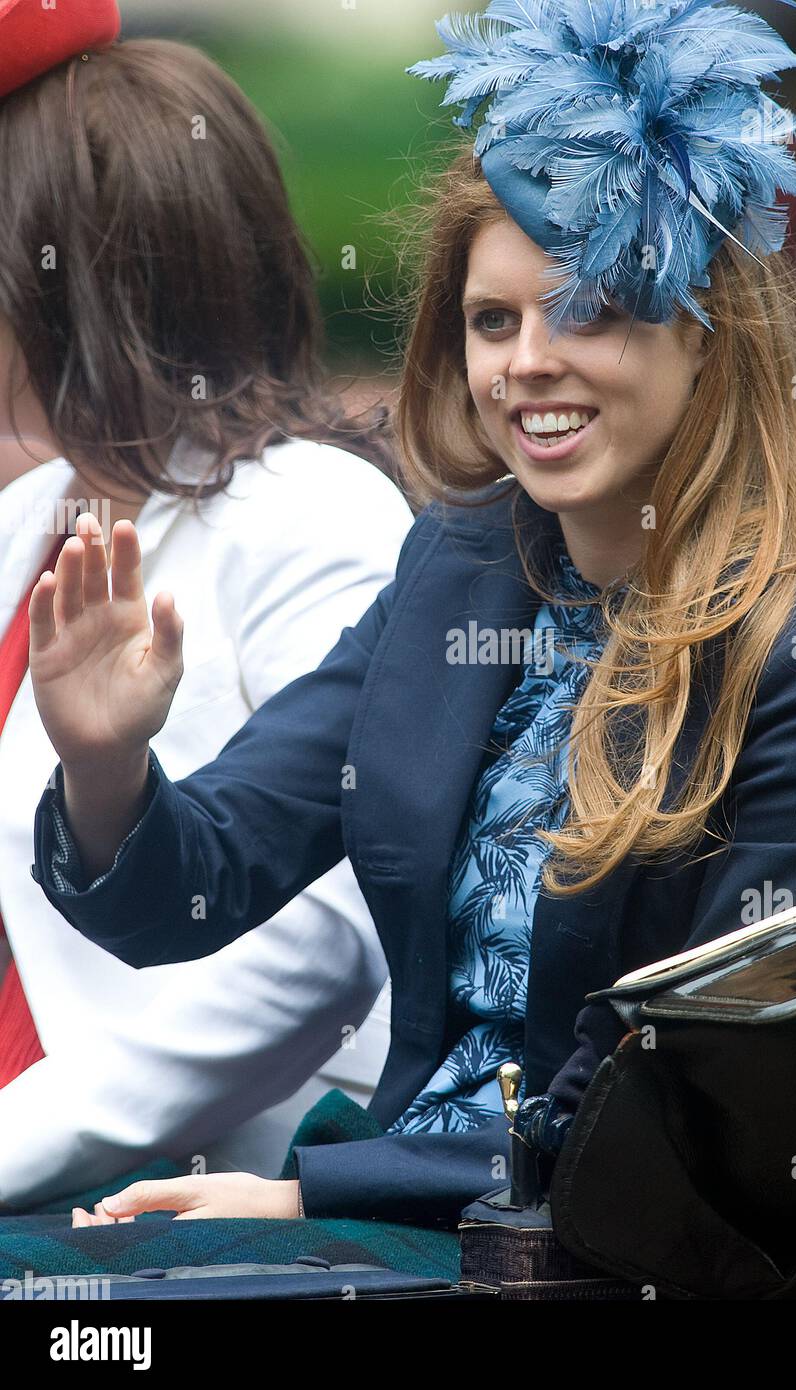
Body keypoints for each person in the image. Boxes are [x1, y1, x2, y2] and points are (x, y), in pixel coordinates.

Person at [9, 0, 796, 1270]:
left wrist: (311, 1197)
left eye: (590, 312)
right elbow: (201, 882)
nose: (526, 363)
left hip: (599, 1250)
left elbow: (709, 1115)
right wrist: (107, 762)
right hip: (385, 1200)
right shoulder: (457, 570)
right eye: (494, 320)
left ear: (709, 337)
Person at [0, 10, 412, 1214]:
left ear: (80, 293)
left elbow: (319, 945)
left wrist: (21, 1142)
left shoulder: (313, 515)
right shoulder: (37, 510)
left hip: (202, 1185)